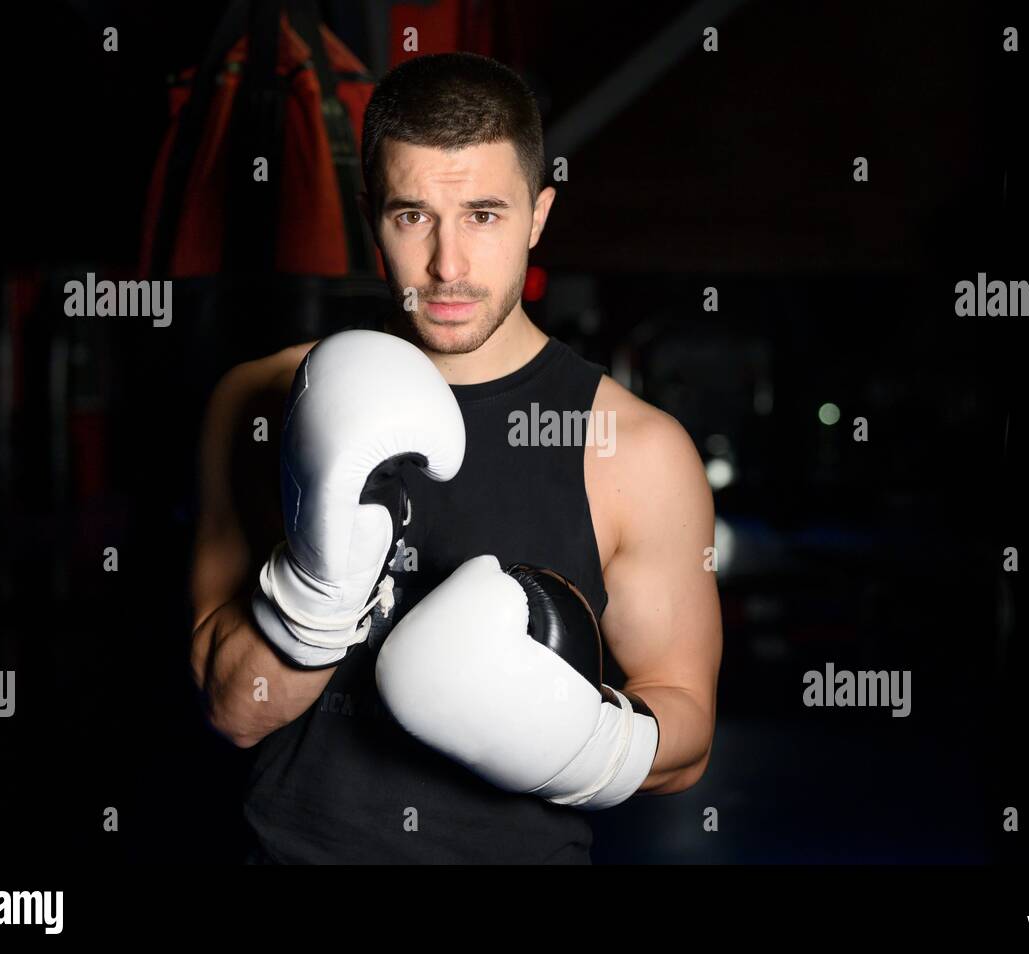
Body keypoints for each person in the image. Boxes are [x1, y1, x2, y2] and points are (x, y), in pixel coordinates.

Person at [189, 52, 722, 863]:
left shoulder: (634, 451)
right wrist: (319, 590)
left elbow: (687, 735)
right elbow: (234, 710)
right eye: (413, 216)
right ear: (372, 216)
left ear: (539, 214)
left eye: (484, 214)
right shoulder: (260, 400)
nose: (447, 265)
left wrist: (579, 740)